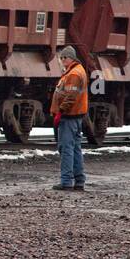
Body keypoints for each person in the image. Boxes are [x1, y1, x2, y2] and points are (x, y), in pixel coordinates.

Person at [50, 46, 88, 191]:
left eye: (62, 58)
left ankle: (66, 181)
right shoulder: (78, 71)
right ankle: (79, 180)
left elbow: (70, 96)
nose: (61, 61)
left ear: (68, 58)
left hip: (69, 116)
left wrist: (60, 111)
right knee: (75, 148)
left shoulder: (74, 74)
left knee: (66, 148)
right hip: (75, 116)